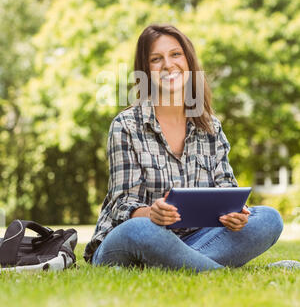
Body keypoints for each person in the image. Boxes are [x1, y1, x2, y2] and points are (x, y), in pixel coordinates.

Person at [84, 24, 290, 272]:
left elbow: (226, 188)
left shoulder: (210, 127)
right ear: (145, 71)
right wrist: (151, 213)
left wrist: (236, 215)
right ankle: (219, 272)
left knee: (268, 219)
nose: (168, 65)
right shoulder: (126, 125)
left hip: (196, 240)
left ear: (189, 62)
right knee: (140, 230)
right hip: (132, 242)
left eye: (175, 54)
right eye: (156, 59)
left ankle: (181, 265)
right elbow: (122, 204)